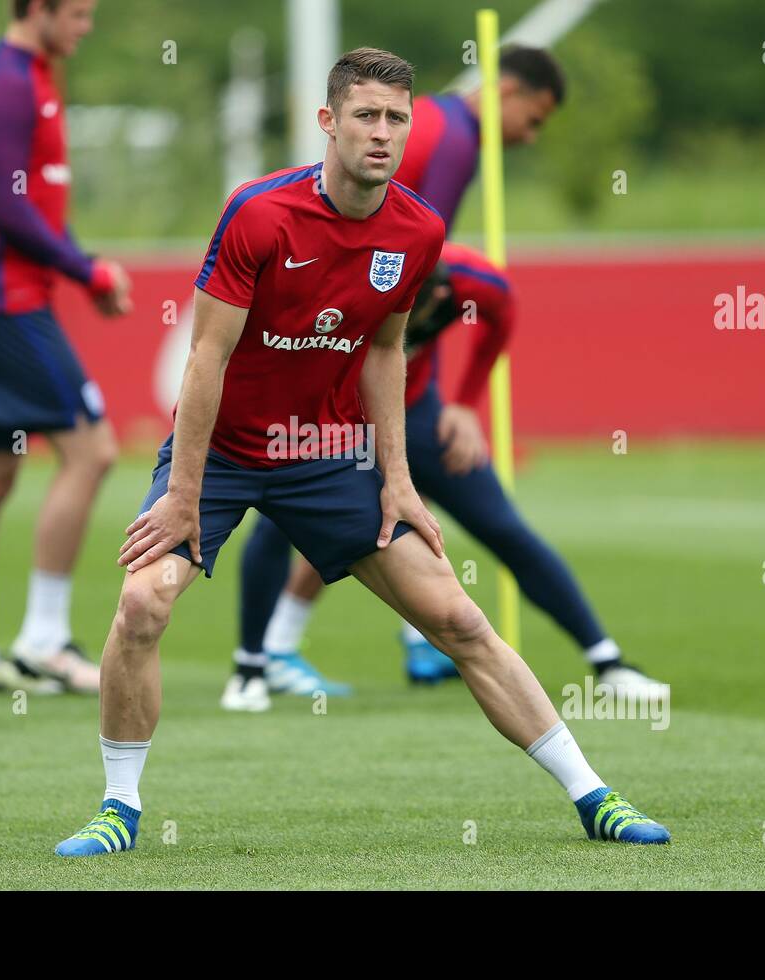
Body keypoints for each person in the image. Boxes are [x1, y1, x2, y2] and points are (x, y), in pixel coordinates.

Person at [54, 48, 669, 856]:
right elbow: (206, 359)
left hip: (327, 454)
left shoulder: (418, 228)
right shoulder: (258, 214)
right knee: (142, 605)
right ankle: (119, 810)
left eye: (395, 118)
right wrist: (181, 493)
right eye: (366, 116)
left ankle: (596, 798)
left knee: (458, 618)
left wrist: (398, 479)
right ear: (329, 123)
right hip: (227, 454)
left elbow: (386, 352)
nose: (382, 133)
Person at [223, 46, 664, 707]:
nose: (530, 136)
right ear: (509, 92)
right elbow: (394, 260)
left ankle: (604, 662)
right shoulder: (453, 139)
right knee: (289, 514)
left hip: (413, 402)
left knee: (476, 524)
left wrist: (465, 403)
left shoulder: (462, 255)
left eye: (390, 118)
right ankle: (258, 665)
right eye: (534, 119)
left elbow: (465, 297)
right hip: (345, 399)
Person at [0, 0, 130, 695]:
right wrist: (89, 272)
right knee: (94, 450)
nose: (86, 26)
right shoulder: (7, 83)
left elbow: (39, 203)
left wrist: (84, 263)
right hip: (2, 303)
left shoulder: (32, 75)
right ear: (39, 8)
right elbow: (9, 208)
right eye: (77, 13)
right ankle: (44, 640)